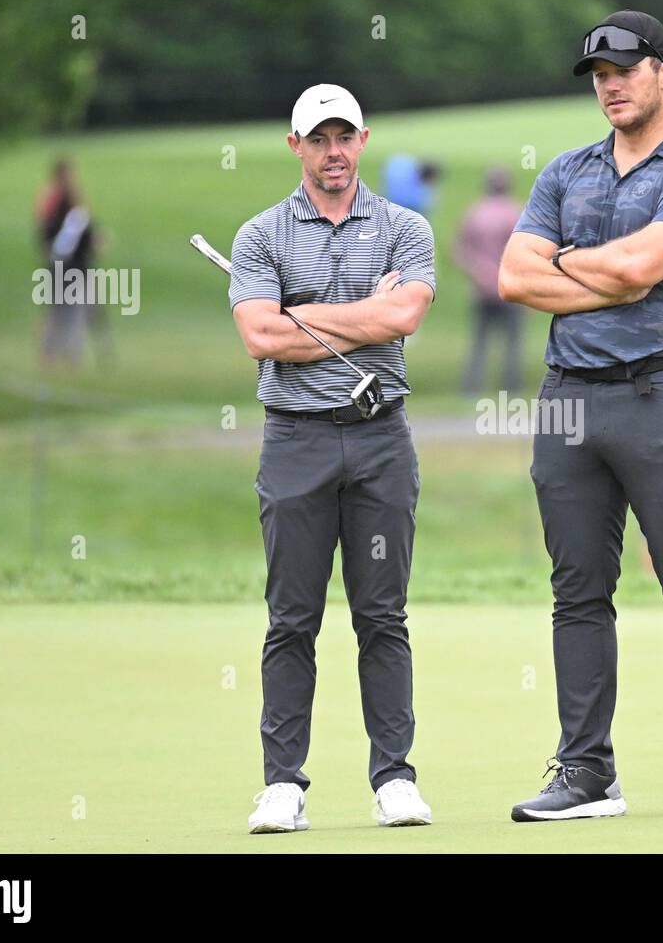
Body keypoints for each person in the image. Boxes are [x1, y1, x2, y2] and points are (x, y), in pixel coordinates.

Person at [497, 9, 663, 821]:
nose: (610, 85)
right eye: (599, 74)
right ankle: (585, 772)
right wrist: (601, 273)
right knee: (577, 591)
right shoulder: (565, 172)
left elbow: (643, 268)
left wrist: (567, 264)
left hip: (660, 396)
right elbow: (513, 278)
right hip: (569, 397)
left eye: (626, 70)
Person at [228, 84, 437, 833]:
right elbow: (260, 337)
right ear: (296, 147)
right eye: (319, 138)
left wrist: (303, 314)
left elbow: (405, 313)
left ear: (363, 140)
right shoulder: (260, 236)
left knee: (383, 615)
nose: (334, 151)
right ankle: (283, 784)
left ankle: (395, 779)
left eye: (345, 136)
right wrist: (362, 318)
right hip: (296, 440)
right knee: (292, 617)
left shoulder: (406, 228)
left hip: (380, 439)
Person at [454, 167, 524, 394]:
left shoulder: (475, 212)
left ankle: (470, 388)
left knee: (478, 343)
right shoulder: (515, 212)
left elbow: (459, 249)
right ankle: (511, 389)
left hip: (481, 289)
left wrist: (476, 271)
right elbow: (523, 252)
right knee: (512, 344)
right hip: (509, 288)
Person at [35, 158, 110, 368]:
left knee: (74, 312)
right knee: (61, 313)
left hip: (75, 265)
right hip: (64, 267)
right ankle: (57, 357)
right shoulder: (54, 200)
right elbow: (50, 233)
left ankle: (69, 357)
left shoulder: (71, 200)